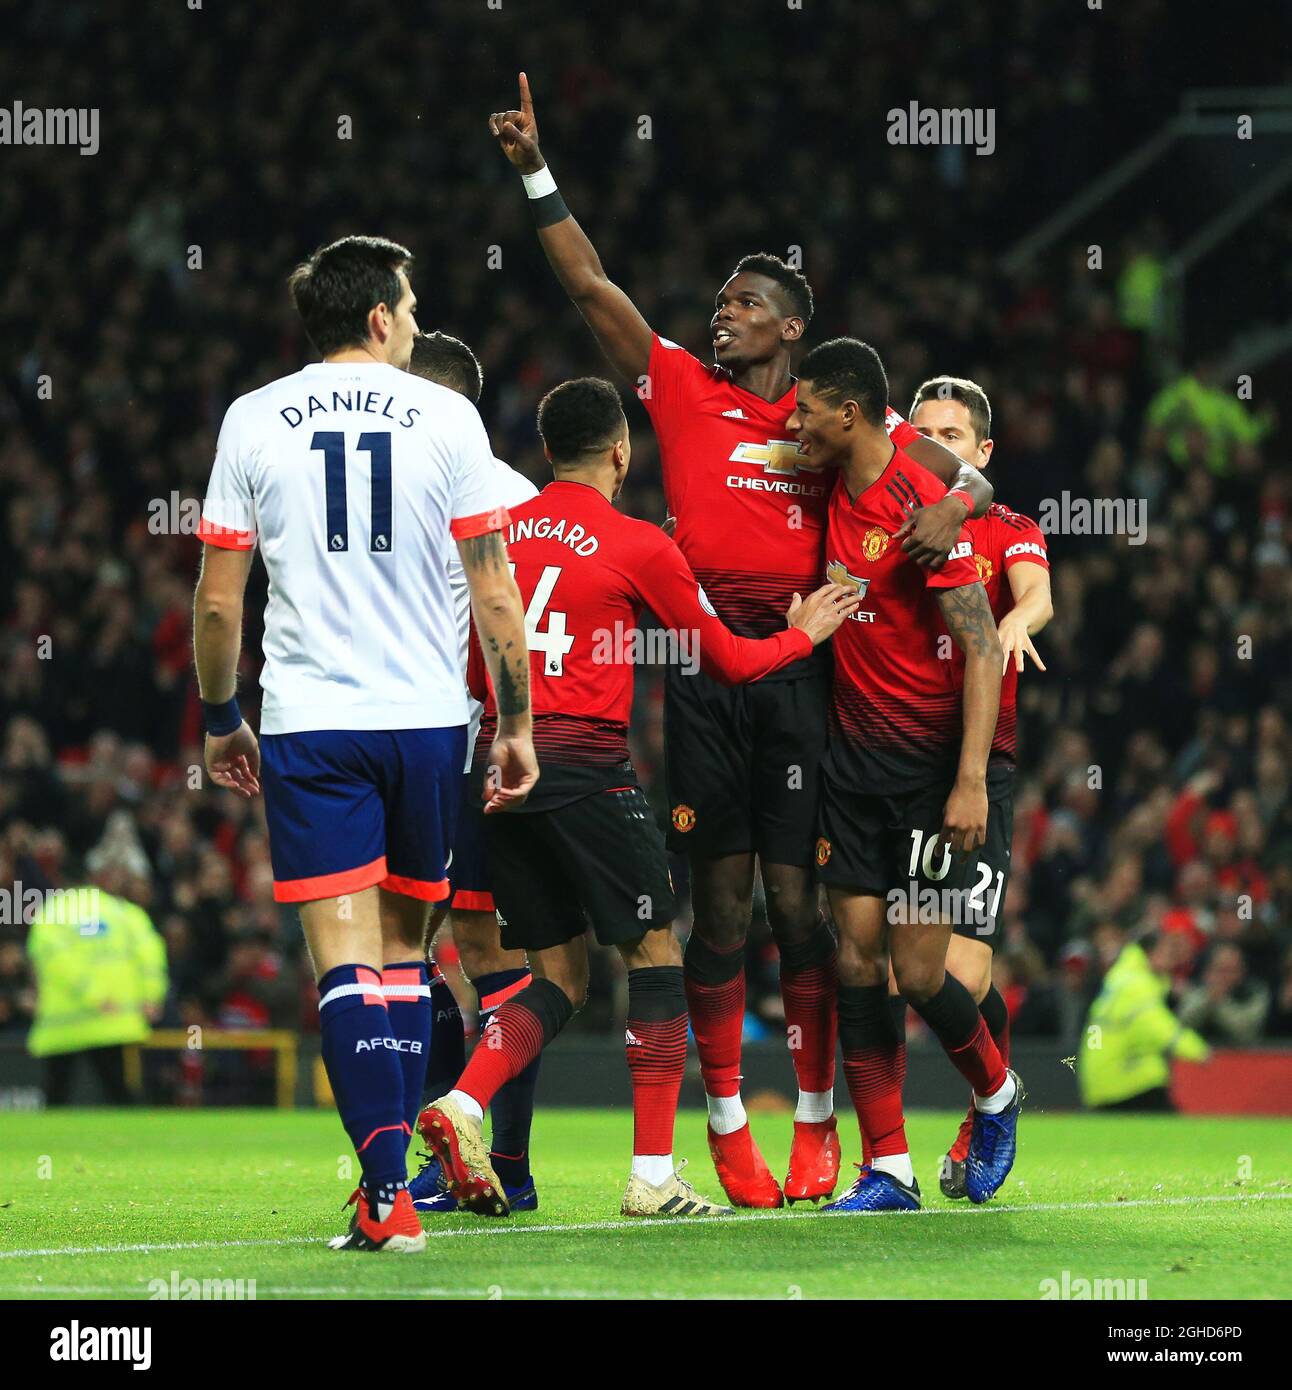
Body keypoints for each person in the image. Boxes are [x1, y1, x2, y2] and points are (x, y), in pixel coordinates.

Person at [487, 73, 995, 1209]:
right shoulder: (678, 385)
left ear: (791, 327)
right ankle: (724, 1129)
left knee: (798, 904)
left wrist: (956, 509)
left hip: (810, 673)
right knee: (712, 906)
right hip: (708, 666)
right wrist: (533, 166)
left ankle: (817, 1125)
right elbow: (587, 282)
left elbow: (972, 476)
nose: (722, 311)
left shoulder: (828, 414)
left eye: (744, 301)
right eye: (719, 297)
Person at [418, 377, 862, 1218]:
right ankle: (653, 1174)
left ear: (547, 451)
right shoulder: (638, 545)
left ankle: (461, 1103)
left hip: (500, 774)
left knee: (555, 977)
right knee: (656, 956)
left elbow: (478, 667)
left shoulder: (493, 533)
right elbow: (728, 660)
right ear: (621, 452)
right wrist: (803, 633)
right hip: (588, 774)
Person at [193, 235, 537, 1253]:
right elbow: (492, 589)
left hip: (311, 720)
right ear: (382, 317)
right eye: (415, 308)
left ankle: (384, 1192)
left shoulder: (252, 418)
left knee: (344, 963)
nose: (418, 324)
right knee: (403, 956)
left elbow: (219, 602)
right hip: (429, 721)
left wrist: (221, 719)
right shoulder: (448, 415)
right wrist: (512, 724)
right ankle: (391, 1187)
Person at [787, 338, 1021, 1212]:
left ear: (848, 413)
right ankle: (889, 1167)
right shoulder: (832, 481)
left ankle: (996, 1094)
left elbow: (984, 646)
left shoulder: (920, 507)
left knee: (922, 976)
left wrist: (968, 781)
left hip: (926, 774)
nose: (794, 423)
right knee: (854, 960)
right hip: (850, 768)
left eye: (807, 410)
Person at [403, 331, 544, 1214]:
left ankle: (451, 1157)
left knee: (440, 952)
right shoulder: (519, 494)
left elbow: (510, 618)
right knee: (476, 957)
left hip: (454, 743)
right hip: (473, 740)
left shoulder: (467, 489)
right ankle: (499, 1161)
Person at [907, 376, 1053, 1198]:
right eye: (923, 432)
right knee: (896, 971)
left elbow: (1038, 595)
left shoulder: (1009, 528)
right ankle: (882, 1154)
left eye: (952, 436)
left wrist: (1012, 622)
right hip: (884, 764)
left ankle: (989, 1101)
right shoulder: (890, 520)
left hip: (976, 768)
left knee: (955, 979)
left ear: (983, 452)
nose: (936, 448)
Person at [27, 848, 167, 1105]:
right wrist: (152, 997)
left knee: (57, 1095)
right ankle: (134, 1143)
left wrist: (93, 995)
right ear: (95, 878)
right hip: (113, 1020)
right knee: (119, 1093)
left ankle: (50, 1147)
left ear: (58, 880)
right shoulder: (125, 913)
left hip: (65, 1023)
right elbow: (151, 956)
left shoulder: (51, 916)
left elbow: (56, 963)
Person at [1079, 932, 1210, 1111]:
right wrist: (1199, 1051)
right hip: (1126, 1077)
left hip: (1104, 1075)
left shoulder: (1121, 977)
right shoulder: (1138, 985)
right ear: (1149, 954)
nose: (1172, 958)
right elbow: (1159, 1027)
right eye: (1166, 952)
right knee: (1172, 1132)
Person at [1176, 942, 1269, 1046]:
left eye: (1231, 970)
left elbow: (1246, 1034)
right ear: (1208, 972)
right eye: (1220, 970)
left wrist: (1220, 1002)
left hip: (1243, 1058)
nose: (1225, 976)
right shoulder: (1196, 991)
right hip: (1199, 1055)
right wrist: (1207, 1000)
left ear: (1242, 973)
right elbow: (1181, 1026)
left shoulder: (1254, 993)